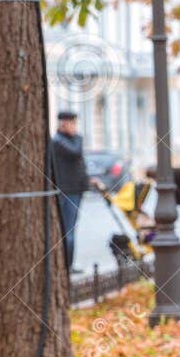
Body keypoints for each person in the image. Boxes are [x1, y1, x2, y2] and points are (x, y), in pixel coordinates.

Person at [50, 111, 101, 271]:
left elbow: (78, 164)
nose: (75, 127)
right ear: (63, 124)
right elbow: (75, 153)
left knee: (71, 229)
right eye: (72, 123)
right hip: (67, 190)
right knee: (68, 230)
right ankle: (67, 266)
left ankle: (68, 265)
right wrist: (78, 137)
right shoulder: (58, 141)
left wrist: (89, 179)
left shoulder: (70, 140)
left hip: (76, 189)